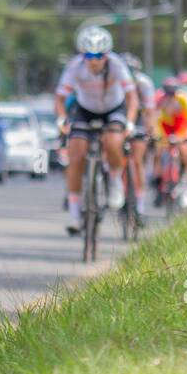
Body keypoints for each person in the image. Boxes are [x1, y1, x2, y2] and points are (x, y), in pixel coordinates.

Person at [54, 26, 137, 235]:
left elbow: (132, 97)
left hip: (113, 108)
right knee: (76, 156)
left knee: (113, 142)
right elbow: (60, 98)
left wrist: (130, 122)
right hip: (85, 109)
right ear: (83, 54)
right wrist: (62, 118)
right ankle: (75, 214)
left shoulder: (117, 65)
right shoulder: (75, 67)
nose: (94, 60)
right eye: (89, 55)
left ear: (106, 55)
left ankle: (116, 179)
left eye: (99, 55)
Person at [121, 53, 157, 220]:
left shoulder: (144, 83)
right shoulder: (114, 80)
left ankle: (140, 205)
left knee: (137, 161)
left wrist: (150, 130)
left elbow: (150, 111)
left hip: (138, 120)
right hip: (119, 118)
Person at [153, 79, 187, 207]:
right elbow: (154, 118)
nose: (170, 96)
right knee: (158, 154)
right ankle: (158, 185)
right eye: (167, 93)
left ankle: (184, 176)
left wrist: (181, 135)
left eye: (172, 93)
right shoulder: (159, 99)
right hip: (164, 129)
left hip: (179, 128)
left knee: (185, 151)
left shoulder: (182, 99)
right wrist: (157, 136)